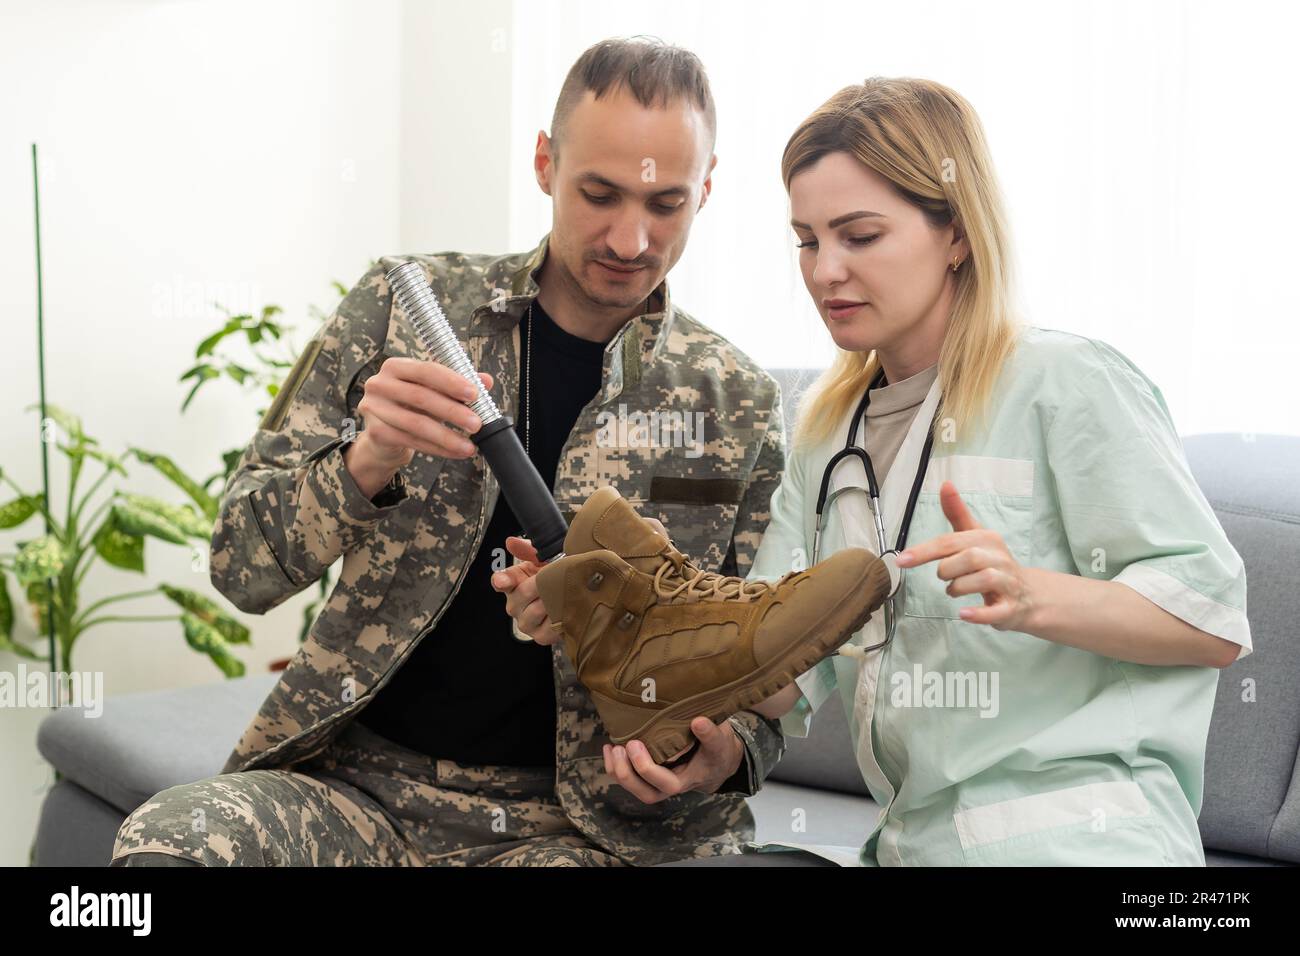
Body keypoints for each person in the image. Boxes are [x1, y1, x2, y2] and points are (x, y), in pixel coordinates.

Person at [510, 77, 1251, 866]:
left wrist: (1039, 596)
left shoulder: (1067, 382)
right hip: (909, 850)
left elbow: (1211, 621)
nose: (825, 271)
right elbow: (774, 663)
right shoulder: (830, 436)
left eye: (859, 236)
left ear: (957, 233)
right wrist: (671, 680)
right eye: (806, 240)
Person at [110, 37, 788, 868]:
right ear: (545, 163)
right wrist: (366, 463)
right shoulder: (406, 312)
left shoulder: (739, 402)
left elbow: (766, 672)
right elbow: (238, 568)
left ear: (708, 191)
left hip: (576, 832)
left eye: (667, 204)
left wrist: (726, 756)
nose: (630, 238)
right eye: (599, 193)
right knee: (168, 845)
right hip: (357, 792)